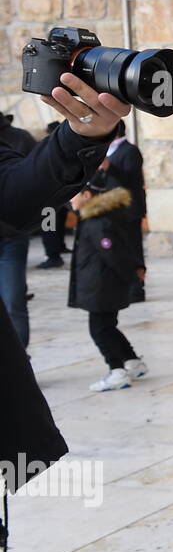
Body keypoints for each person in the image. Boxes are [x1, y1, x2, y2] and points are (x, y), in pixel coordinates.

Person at [1, 73, 130, 495]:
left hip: (105, 243)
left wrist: (80, 135)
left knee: (18, 301)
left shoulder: (126, 158)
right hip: (95, 242)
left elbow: (14, 197)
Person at [68, 168, 147, 392]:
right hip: (103, 285)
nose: (70, 199)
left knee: (100, 330)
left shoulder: (97, 224)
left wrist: (132, 277)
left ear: (88, 196)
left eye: (75, 194)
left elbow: (115, 255)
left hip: (103, 287)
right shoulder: (99, 218)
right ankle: (132, 361)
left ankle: (117, 371)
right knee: (108, 327)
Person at [0, 114, 39, 347]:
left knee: (14, 300)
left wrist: (47, 225)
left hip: (12, 237)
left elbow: (40, 177)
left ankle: (21, 362)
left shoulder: (19, 139)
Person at [98, 120, 147, 302]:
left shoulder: (130, 151)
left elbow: (131, 179)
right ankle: (123, 286)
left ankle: (137, 288)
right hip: (112, 209)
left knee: (133, 250)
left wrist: (110, 167)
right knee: (118, 250)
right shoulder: (107, 150)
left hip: (129, 210)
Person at [36, 122, 72, 270]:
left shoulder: (49, 148)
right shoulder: (65, 146)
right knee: (56, 226)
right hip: (59, 197)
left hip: (49, 199)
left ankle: (53, 256)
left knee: (48, 228)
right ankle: (58, 249)